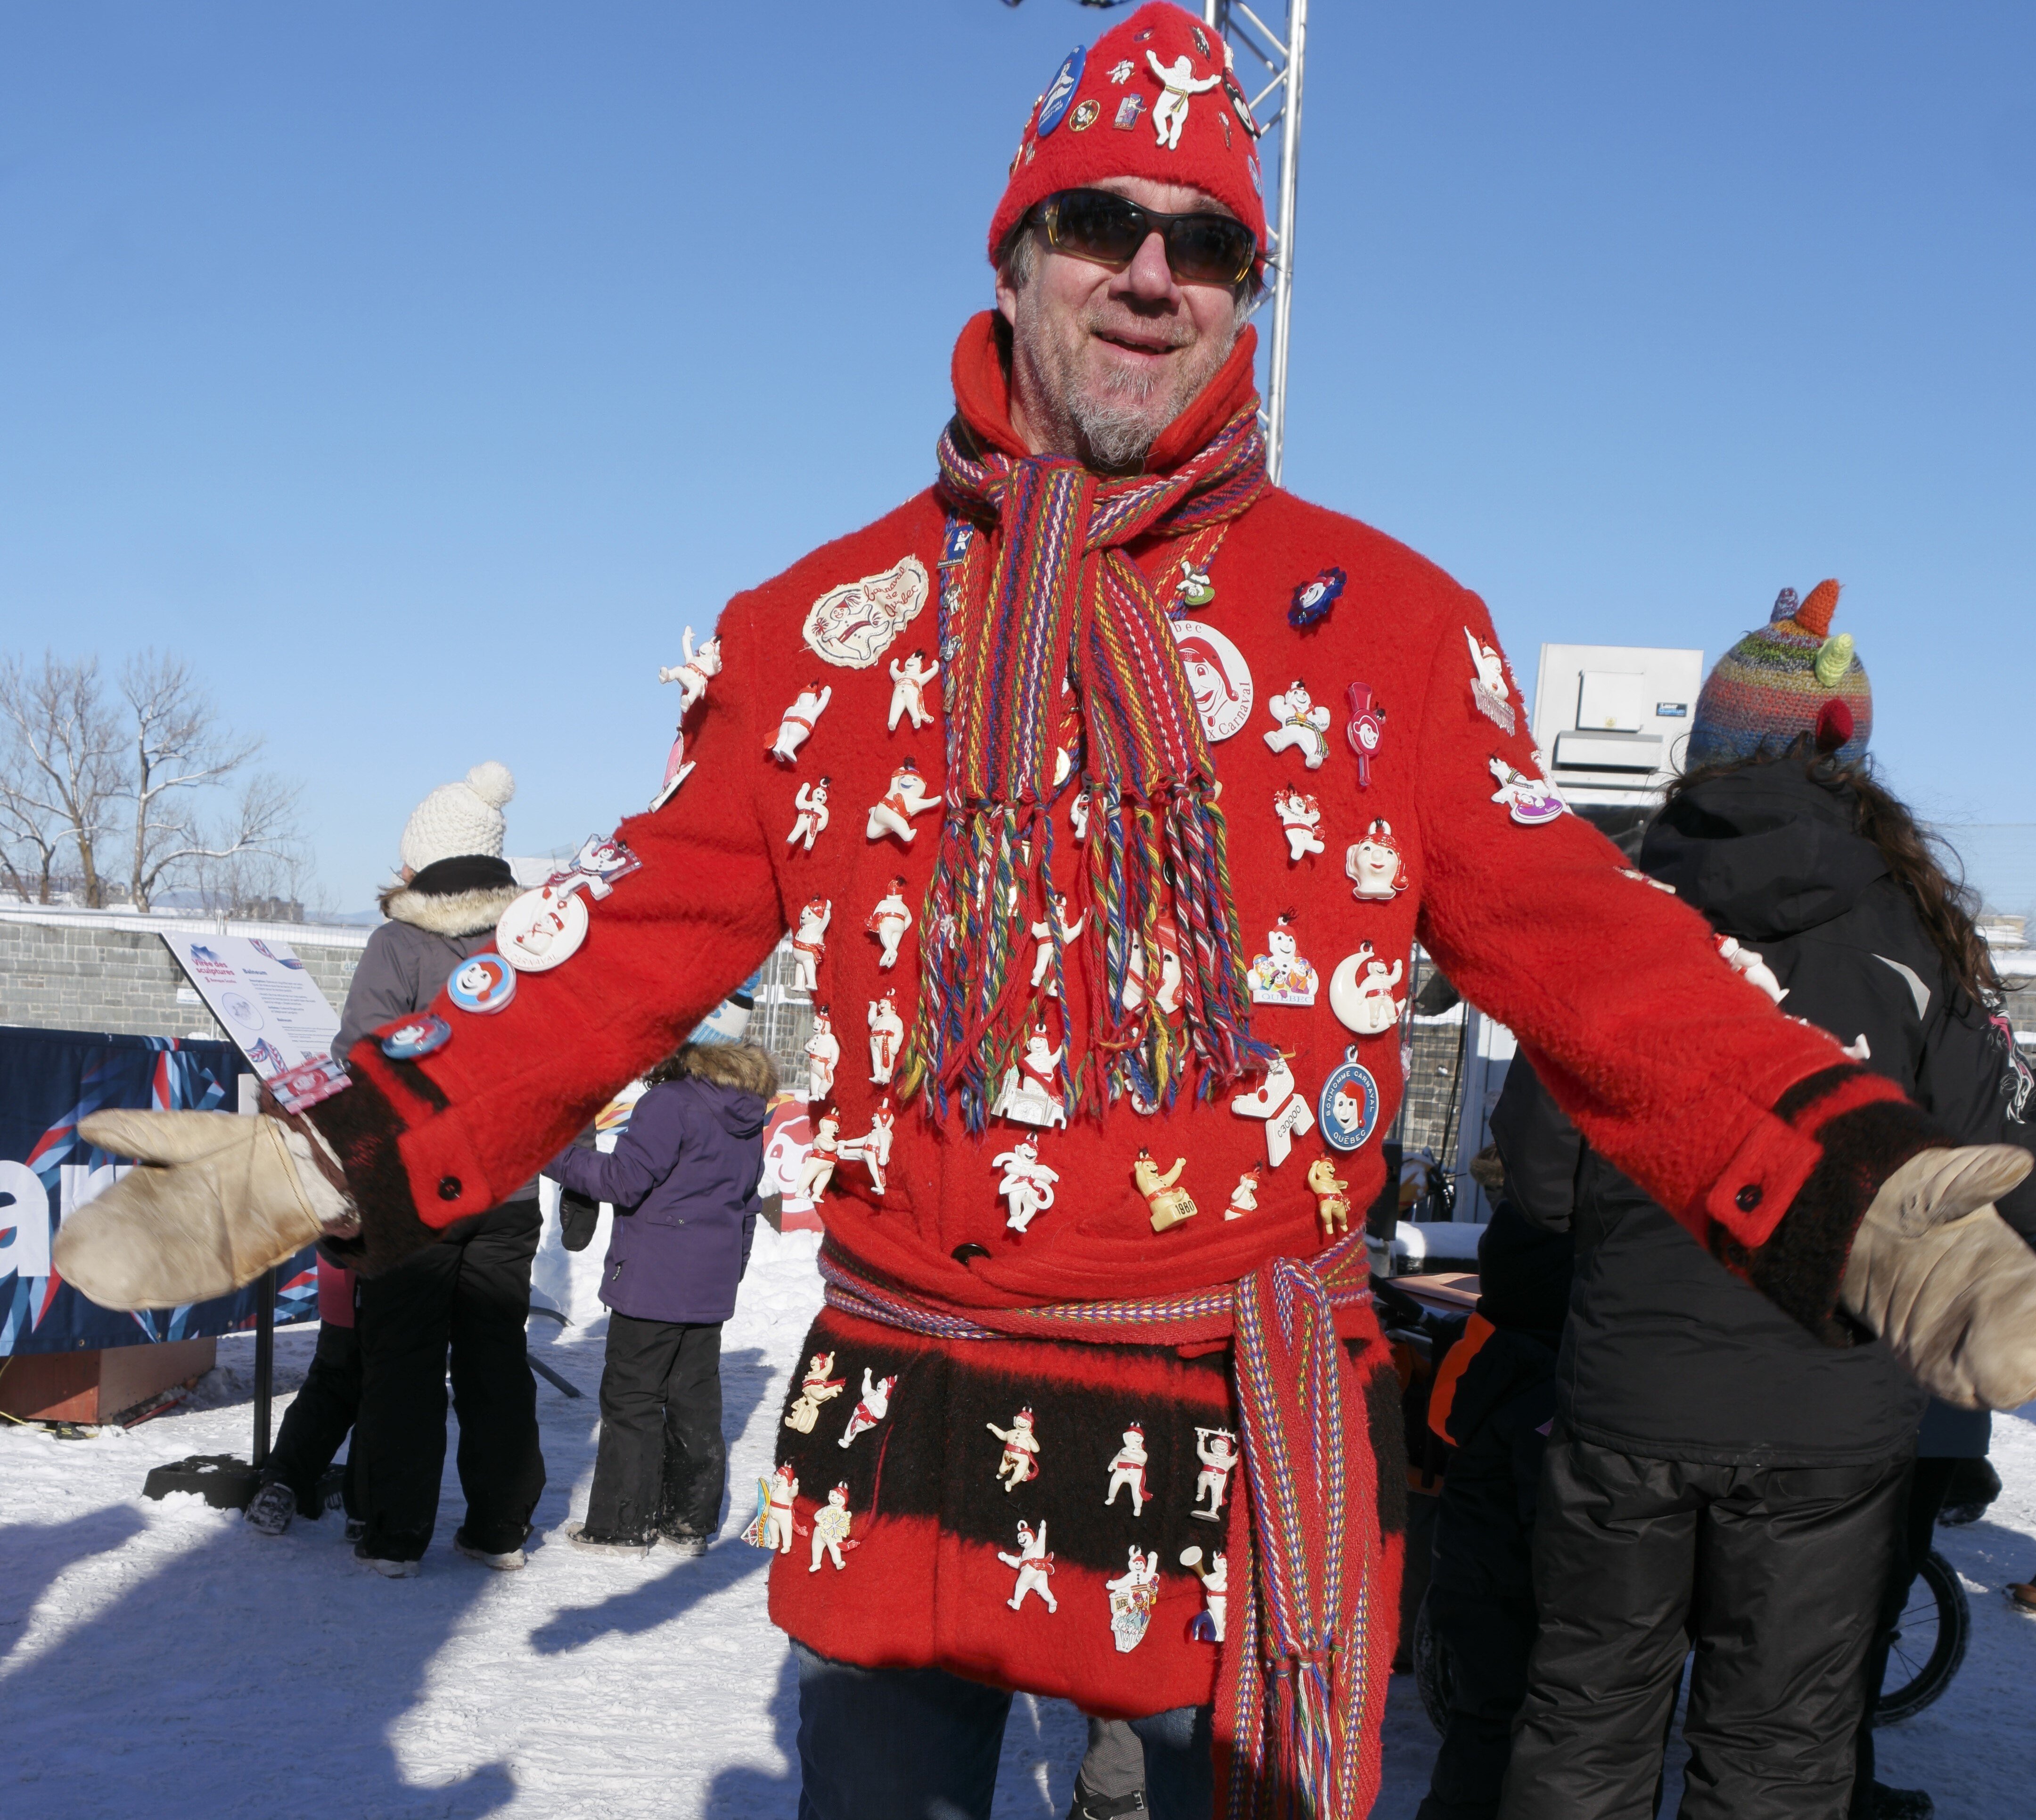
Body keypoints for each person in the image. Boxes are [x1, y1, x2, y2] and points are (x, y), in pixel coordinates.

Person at [56, 8, 2036, 1814]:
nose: (1152, 269)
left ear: (1249, 290)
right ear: (1015, 255)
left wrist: (1869, 1206)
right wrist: (344, 1150)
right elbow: (641, 924)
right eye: (1101, 221)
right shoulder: (829, 633)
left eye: (1209, 238)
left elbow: (1593, 954)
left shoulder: (1393, 636)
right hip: (917, 1408)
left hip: (1232, 1411)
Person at [1494, 584, 2036, 1820]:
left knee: (1584, 1723)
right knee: (1780, 1751)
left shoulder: (1616, 908)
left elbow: (1539, 1175)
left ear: (1707, 751)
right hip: (1830, 1410)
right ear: (1844, 751)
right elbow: (1998, 1156)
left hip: (1629, 1387)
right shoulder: (1917, 931)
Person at [336, 761, 546, 1578]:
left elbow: (362, 1052)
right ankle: (499, 1528)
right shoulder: (533, 946)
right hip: (512, 1181)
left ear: (425, 862)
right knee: (496, 1358)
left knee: (406, 1361)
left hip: (421, 1185)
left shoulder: (399, 944)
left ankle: (395, 1533)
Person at [550, 991, 776, 1555]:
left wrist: (550, 1154)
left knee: (631, 1400)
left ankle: (622, 1525)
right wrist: (731, 1271)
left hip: (652, 1281)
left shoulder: (671, 1103)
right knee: (695, 1402)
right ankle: (690, 1522)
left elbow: (623, 1181)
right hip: (709, 1286)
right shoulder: (747, 1109)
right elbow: (747, 1205)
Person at [1414, 1198, 1573, 1820]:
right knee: (1493, 1751)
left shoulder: (1493, 1355)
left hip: (1473, 1589)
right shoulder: (1542, 1386)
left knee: (1478, 1735)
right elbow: (1552, 1523)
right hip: (1511, 1601)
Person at [243, 1253, 362, 1538]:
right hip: (387, 1283)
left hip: (352, 1275)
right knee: (386, 1390)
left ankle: (283, 1485)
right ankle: (372, 1509)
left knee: (334, 1385)